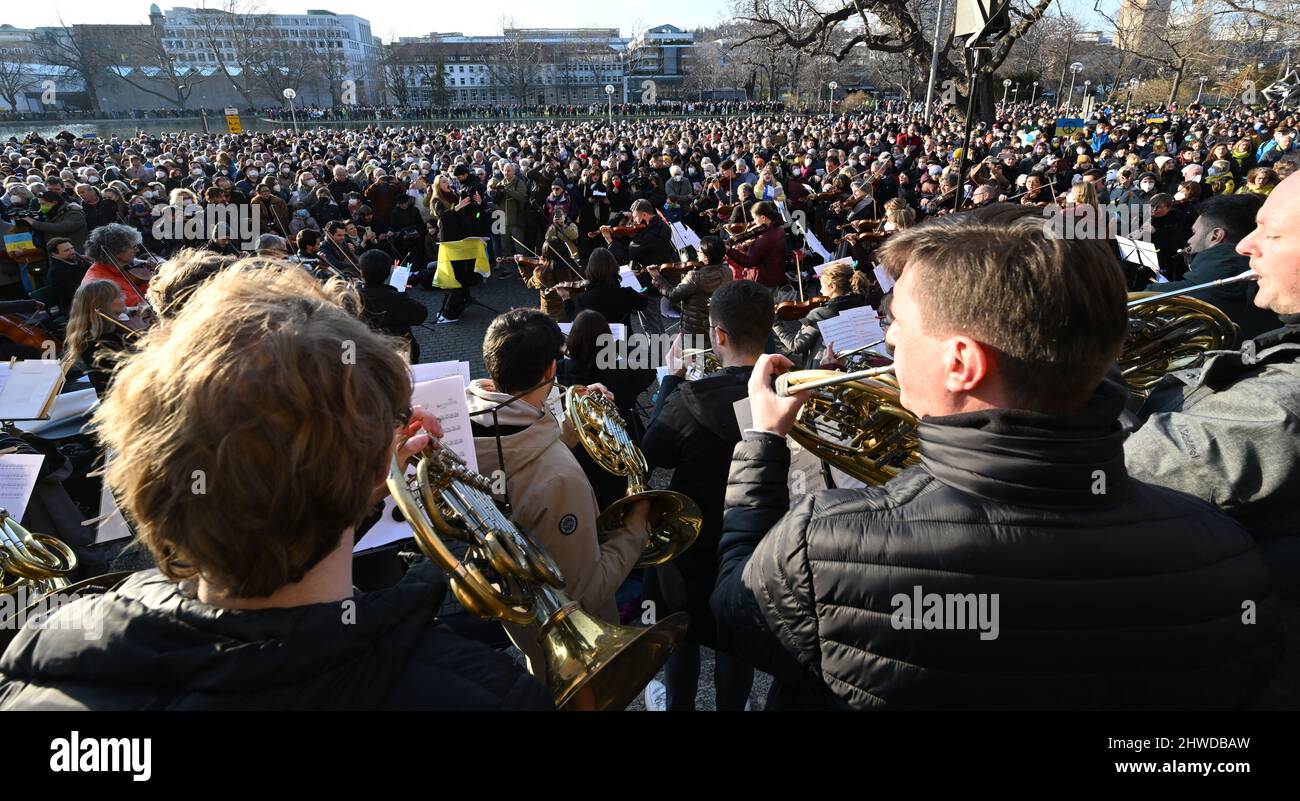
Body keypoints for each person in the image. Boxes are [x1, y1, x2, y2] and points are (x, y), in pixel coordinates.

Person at [710, 210, 1282, 710]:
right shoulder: (1226, 550)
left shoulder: (824, 544)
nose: (887, 344)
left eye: (898, 327)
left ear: (961, 363)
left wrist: (762, 443)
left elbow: (736, 613)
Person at [0, 264, 553, 710]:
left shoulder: (48, 668)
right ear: (367, 474)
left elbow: (273, 497)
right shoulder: (482, 693)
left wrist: (358, 479)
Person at [1125, 172, 1300, 708]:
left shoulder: (1285, 402)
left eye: (1270, 234)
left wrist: (1061, 380)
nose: (1247, 243)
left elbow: (1118, 472)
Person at [465, 308, 651, 682]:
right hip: (574, 640)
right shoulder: (560, 481)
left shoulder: (467, 422)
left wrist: (574, 426)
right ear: (551, 370)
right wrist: (636, 527)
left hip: (522, 616)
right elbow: (586, 591)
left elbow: (522, 450)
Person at [639, 280, 771, 711]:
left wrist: (666, 384)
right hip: (758, 535)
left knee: (683, 631)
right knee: (737, 636)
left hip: (691, 539)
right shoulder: (790, 391)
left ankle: (679, 705)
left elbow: (647, 455)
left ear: (718, 335)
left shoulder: (688, 396)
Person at [1145, 193, 1278, 340]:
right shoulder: (1286, 299)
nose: (1190, 240)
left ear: (1215, 236)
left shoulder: (1158, 298)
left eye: (1194, 232)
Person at [776, 261, 874, 369]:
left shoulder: (819, 314)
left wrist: (775, 323)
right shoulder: (861, 307)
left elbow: (796, 346)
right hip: (854, 367)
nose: (821, 291)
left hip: (823, 370)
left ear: (832, 287)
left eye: (822, 286)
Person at [648, 235, 732, 342]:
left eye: (699, 251)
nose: (697, 253)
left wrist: (657, 277)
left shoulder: (695, 276)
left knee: (690, 357)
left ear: (706, 257)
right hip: (716, 324)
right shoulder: (727, 271)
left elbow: (673, 295)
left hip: (695, 328)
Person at [62, 279, 131, 396]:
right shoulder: (97, 343)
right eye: (118, 296)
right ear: (103, 305)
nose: (124, 298)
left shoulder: (113, 330)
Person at [357, 249, 428, 362]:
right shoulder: (396, 298)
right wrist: (402, 295)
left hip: (366, 357)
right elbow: (421, 314)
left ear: (361, 274)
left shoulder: (352, 297)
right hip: (400, 355)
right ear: (388, 273)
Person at [558, 248, 647, 326]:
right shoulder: (626, 293)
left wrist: (566, 299)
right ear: (615, 268)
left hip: (597, 342)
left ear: (590, 270)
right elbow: (643, 303)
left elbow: (574, 321)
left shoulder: (583, 299)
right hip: (624, 341)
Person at [81, 222, 149, 312]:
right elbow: (138, 304)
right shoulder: (100, 283)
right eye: (134, 246)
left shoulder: (123, 265)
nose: (137, 249)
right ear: (117, 252)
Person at [724, 201, 787, 288]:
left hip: (763, 279)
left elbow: (749, 262)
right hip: (775, 274)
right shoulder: (779, 228)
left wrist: (729, 250)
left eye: (754, 218)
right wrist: (747, 247)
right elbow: (766, 252)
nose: (753, 222)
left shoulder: (764, 238)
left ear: (763, 218)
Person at [19, 189, 88, 253]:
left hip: (74, 251)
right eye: (39, 204)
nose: (41, 207)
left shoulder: (74, 212)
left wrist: (34, 223)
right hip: (56, 252)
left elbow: (62, 228)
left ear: (54, 202)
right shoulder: (50, 212)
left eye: (43, 204)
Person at [44, 237, 90, 317]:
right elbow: (76, 290)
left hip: (85, 300)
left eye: (72, 248)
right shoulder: (56, 271)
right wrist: (84, 267)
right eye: (66, 250)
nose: (72, 252)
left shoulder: (72, 261)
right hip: (74, 306)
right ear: (54, 254)